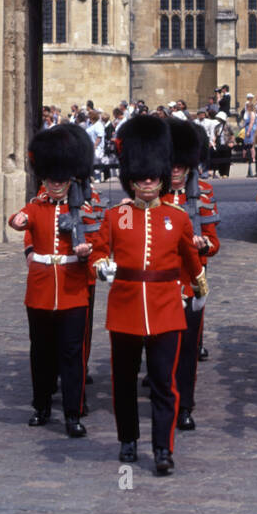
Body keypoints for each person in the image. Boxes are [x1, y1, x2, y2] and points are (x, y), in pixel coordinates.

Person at [91, 114, 206, 475]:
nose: (147, 183)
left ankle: (162, 448)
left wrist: (199, 290)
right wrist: (101, 266)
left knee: (163, 383)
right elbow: (98, 251)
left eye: (153, 178)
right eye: (141, 178)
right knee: (123, 381)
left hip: (166, 308)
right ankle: (128, 438)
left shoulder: (179, 218)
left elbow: (191, 261)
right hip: (125, 307)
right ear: (131, 180)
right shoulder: (115, 216)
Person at [7, 122, 99, 438]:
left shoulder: (85, 210)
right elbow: (21, 220)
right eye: (50, 178)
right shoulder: (37, 206)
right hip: (41, 292)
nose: (56, 184)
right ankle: (41, 406)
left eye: (61, 179)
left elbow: (100, 241)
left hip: (73, 289)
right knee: (42, 353)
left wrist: (88, 251)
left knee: (72, 355)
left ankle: (72, 414)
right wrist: (16, 221)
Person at [164, 118, 220, 431]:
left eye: (181, 165)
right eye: (171, 164)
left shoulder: (203, 194)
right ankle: (164, 397)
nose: (175, 171)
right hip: (158, 285)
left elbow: (214, 242)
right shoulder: (149, 197)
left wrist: (203, 245)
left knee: (187, 349)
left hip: (189, 284)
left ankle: (184, 405)